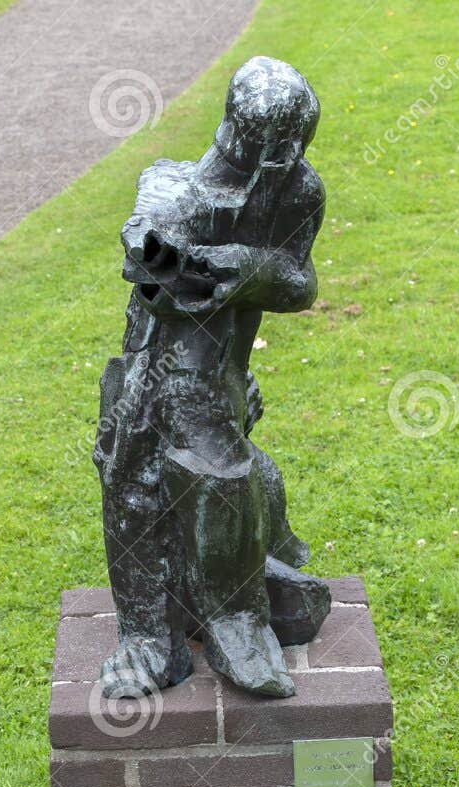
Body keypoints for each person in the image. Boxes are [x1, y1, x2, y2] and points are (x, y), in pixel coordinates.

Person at [93, 57, 326, 699]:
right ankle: (148, 638)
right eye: (258, 151)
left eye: (286, 153)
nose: (267, 171)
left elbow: (301, 281)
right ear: (233, 133)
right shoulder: (179, 187)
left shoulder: (300, 193)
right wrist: (182, 264)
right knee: (132, 476)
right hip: (152, 357)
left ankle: (237, 619)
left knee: (220, 472)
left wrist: (247, 267)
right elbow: (148, 263)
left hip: (216, 368)